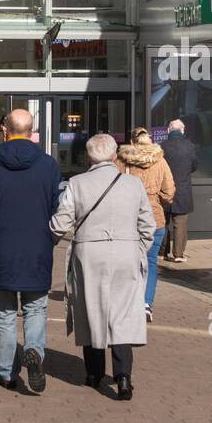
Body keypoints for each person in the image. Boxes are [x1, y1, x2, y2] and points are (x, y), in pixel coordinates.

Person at [50, 133, 156, 401]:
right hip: (126, 252)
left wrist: (48, 237)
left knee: (90, 309)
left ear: (88, 157)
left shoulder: (77, 183)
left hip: (90, 253)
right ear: (113, 156)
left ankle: (94, 372)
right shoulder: (133, 185)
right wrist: (138, 248)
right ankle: (123, 376)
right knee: (122, 313)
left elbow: (61, 223)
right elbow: (148, 224)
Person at [0, 109, 61, 394]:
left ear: (5, 132)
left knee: (5, 314)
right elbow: (59, 209)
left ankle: (7, 373)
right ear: (32, 133)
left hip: (1, 251)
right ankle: (33, 351)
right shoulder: (48, 166)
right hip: (37, 250)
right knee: (36, 308)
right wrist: (49, 238)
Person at [116, 127, 175, 323]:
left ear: (132, 143)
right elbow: (169, 192)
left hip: (127, 218)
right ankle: (146, 303)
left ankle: (126, 302)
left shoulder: (122, 161)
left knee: (126, 262)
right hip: (154, 217)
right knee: (150, 262)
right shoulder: (160, 161)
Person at [160, 120, 197, 261]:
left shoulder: (161, 147)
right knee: (180, 223)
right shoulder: (190, 146)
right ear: (182, 131)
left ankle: (162, 252)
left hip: (164, 189)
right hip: (183, 189)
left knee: (163, 222)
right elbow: (194, 166)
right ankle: (179, 254)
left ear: (168, 130)